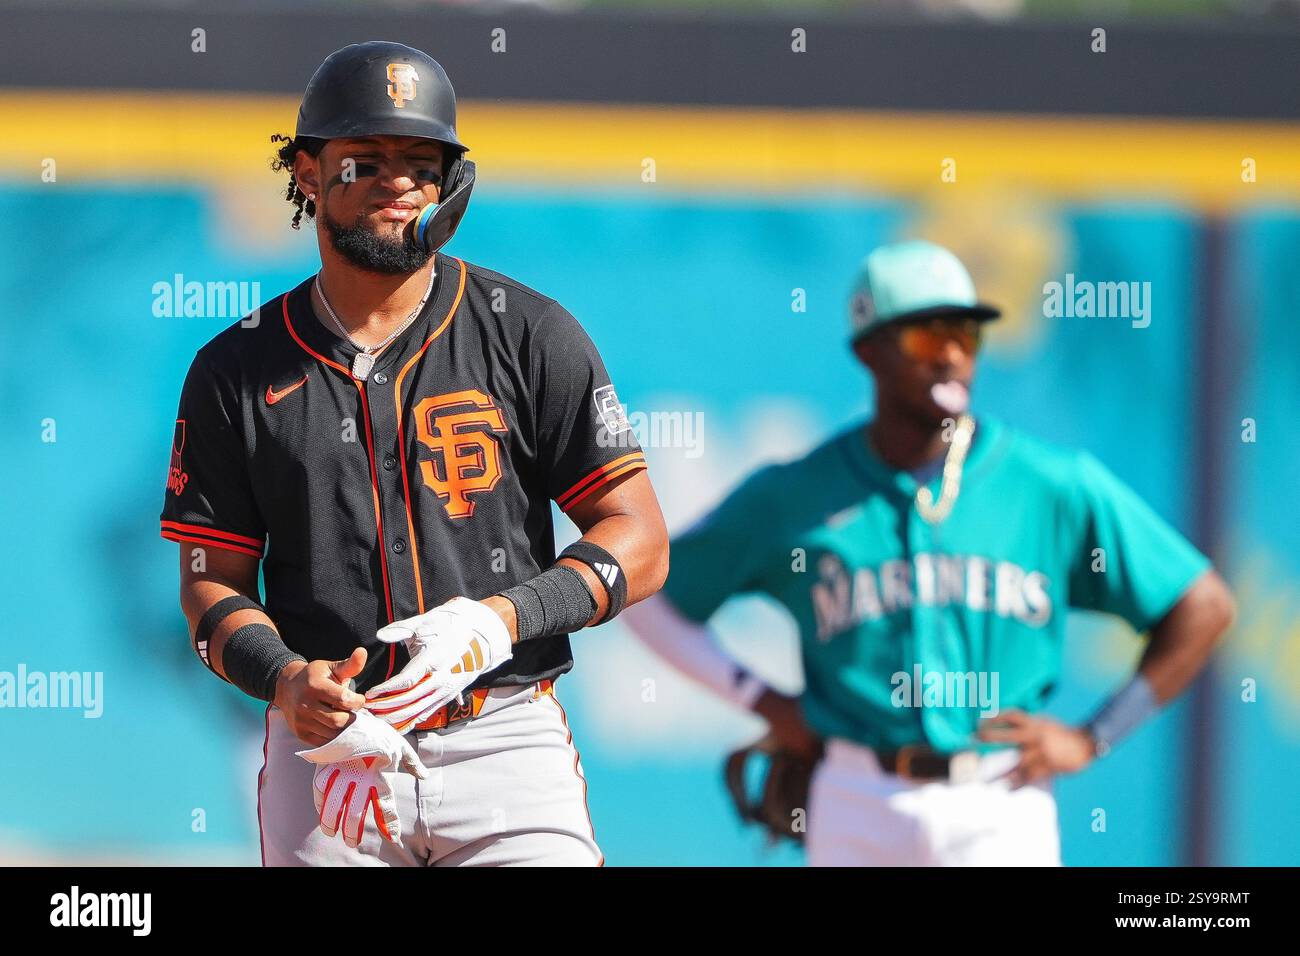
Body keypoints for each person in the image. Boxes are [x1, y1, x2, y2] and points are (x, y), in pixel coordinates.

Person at [162, 40, 668, 866]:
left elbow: (640, 539)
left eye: (422, 161)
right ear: (307, 171)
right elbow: (209, 584)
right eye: (366, 157)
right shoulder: (236, 369)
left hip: (504, 734)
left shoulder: (528, 331)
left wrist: (504, 620)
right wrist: (289, 682)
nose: (398, 180)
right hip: (333, 754)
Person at [624, 239, 1234, 866]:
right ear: (869, 351)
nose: (949, 354)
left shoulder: (1048, 485)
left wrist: (1094, 736)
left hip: (1001, 800)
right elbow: (650, 593)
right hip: (857, 795)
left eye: (965, 334)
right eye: (924, 337)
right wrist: (760, 699)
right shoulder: (800, 494)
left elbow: (1203, 605)